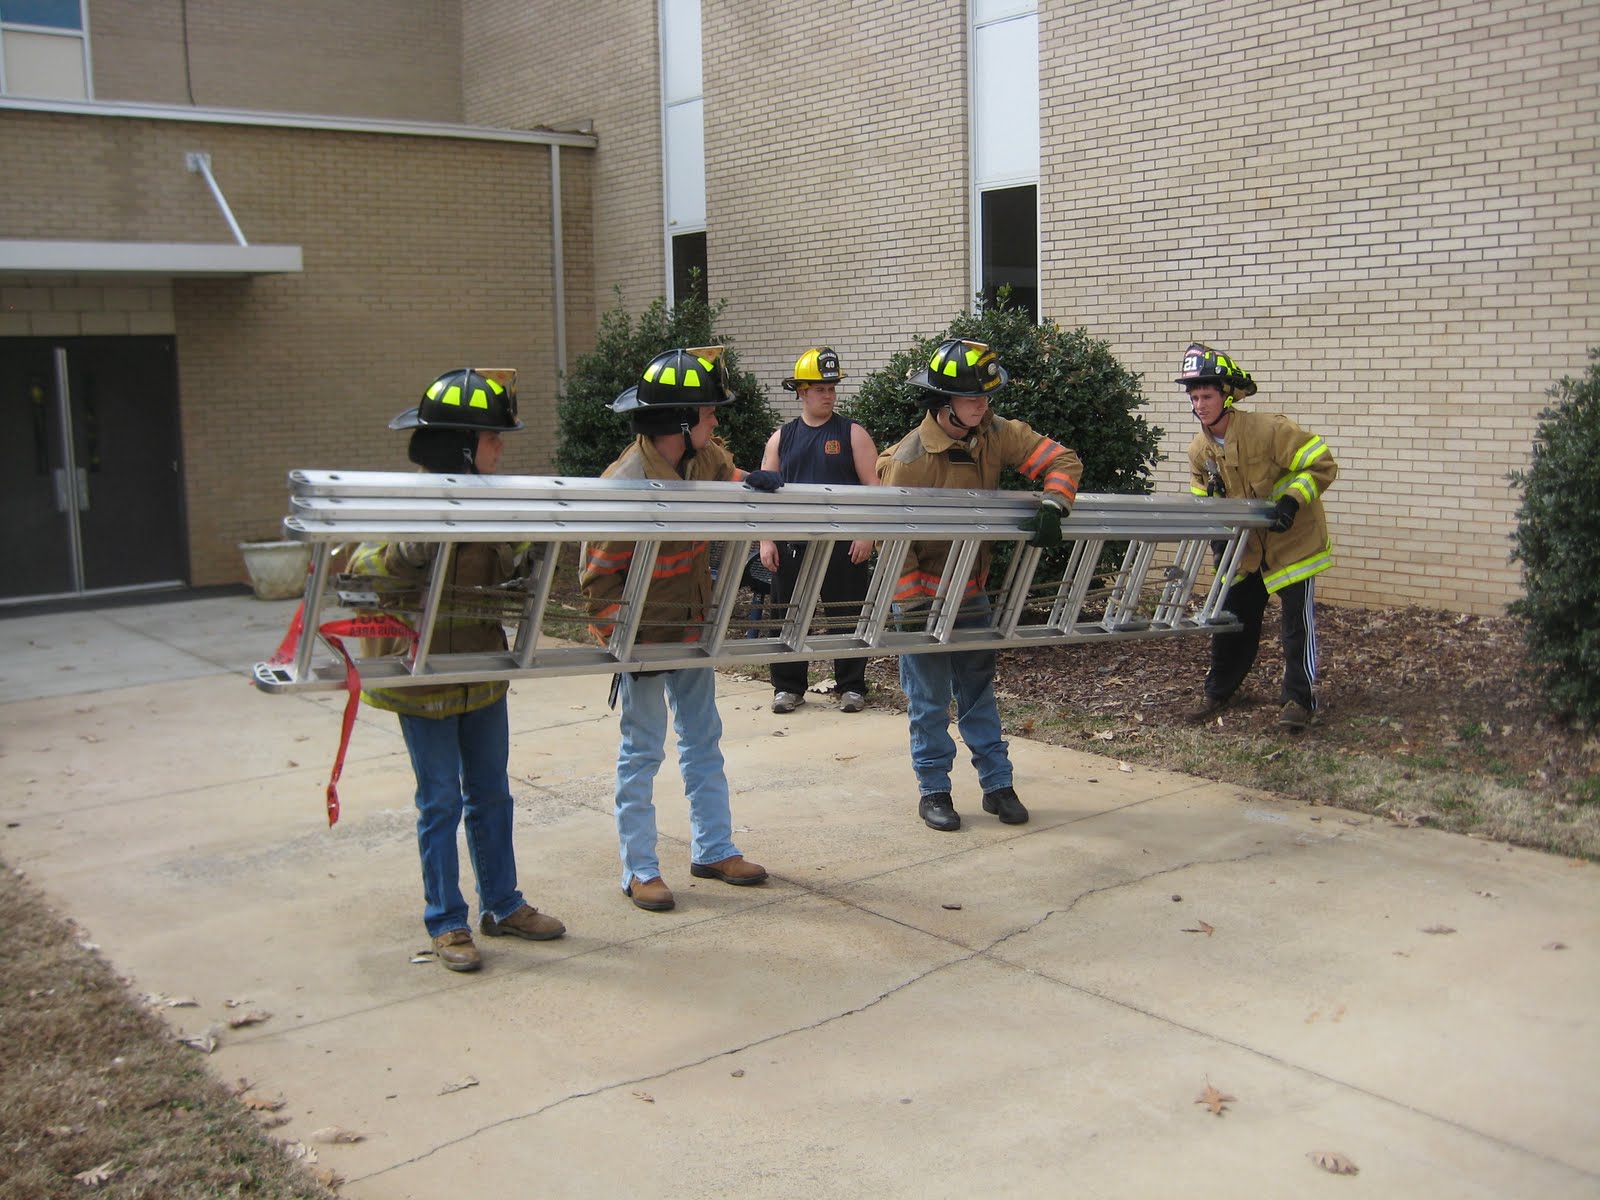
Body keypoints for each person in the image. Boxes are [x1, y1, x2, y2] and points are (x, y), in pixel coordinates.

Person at [349, 368, 565, 972]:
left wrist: (533, 552)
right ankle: (447, 922)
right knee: (440, 801)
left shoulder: (494, 501)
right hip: (422, 679)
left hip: (480, 670)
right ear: (463, 445)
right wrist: (408, 551)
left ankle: (503, 904)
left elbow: (507, 567)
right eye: (493, 438)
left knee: (492, 794)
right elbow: (362, 567)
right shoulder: (405, 503)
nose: (502, 449)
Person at [580, 348, 782, 911]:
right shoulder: (624, 485)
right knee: (642, 751)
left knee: (703, 741)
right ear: (681, 422)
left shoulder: (700, 457)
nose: (716, 421)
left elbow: (726, 473)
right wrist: (624, 647)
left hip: (692, 629)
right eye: (709, 413)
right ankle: (639, 869)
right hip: (644, 640)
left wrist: (750, 480)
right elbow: (596, 582)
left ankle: (714, 849)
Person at [877, 338, 1082, 832]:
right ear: (943, 401)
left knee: (978, 691)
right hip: (921, 599)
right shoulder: (910, 459)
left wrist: (1054, 502)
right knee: (929, 700)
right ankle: (934, 791)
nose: (983, 405)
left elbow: (1063, 460)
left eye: (987, 396)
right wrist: (910, 607)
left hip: (971, 592)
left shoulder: (993, 432)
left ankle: (998, 785)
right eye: (973, 398)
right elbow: (892, 538)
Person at [1178, 343, 1337, 731]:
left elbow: (1321, 464)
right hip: (1245, 551)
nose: (1200, 405)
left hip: (1292, 542)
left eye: (1207, 396)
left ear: (1226, 396)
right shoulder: (1199, 451)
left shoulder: (1269, 430)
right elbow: (1204, 503)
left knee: (1296, 626)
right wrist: (1218, 543)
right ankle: (1219, 691)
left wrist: (1291, 501)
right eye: (1194, 397)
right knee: (1231, 619)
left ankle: (1298, 700)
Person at [758, 347, 880, 715]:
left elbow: (874, 489)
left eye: (831, 388)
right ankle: (788, 688)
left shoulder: (853, 433)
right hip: (793, 546)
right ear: (801, 392)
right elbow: (764, 493)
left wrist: (867, 534)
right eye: (819, 389)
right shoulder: (781, 438)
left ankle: (852, 687)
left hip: (844, 546)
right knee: (787, 616)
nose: (828, 395)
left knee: (847, 615)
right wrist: (766, 539)